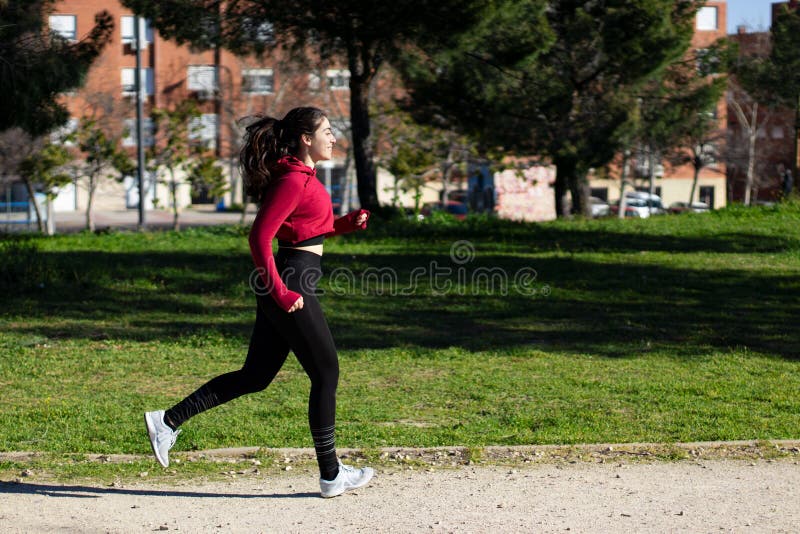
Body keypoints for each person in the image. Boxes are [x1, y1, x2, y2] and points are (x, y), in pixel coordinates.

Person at [144, 106, 373, 498]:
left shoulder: (300, 176)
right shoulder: (293, 180)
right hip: (289, 282)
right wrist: (282, 293)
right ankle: (331, 474)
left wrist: (342, 225)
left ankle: (166, 421)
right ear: (306, 138)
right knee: (326, 371)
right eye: (328, 131)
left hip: (290, 276)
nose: (333, 138)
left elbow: (301, 231)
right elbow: (259, 237)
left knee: (256, 375)